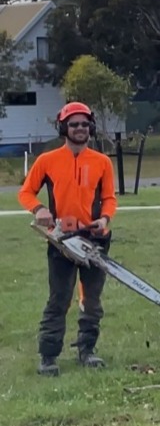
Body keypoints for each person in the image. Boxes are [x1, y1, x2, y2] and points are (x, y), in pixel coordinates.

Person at [17, 102, 119, 376]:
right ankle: (48, 355)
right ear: (64, 128)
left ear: (91, 128)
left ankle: (87, 350)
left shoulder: (102, 162)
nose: (80, 129)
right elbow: (26, 193)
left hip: (94, 238)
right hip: (61, 240)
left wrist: (105, 220)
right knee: (59, 299)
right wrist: (40, 210)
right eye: (74, 124)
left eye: (85, 124)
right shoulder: (47, 161)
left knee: (92, 300)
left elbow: (109, 198)